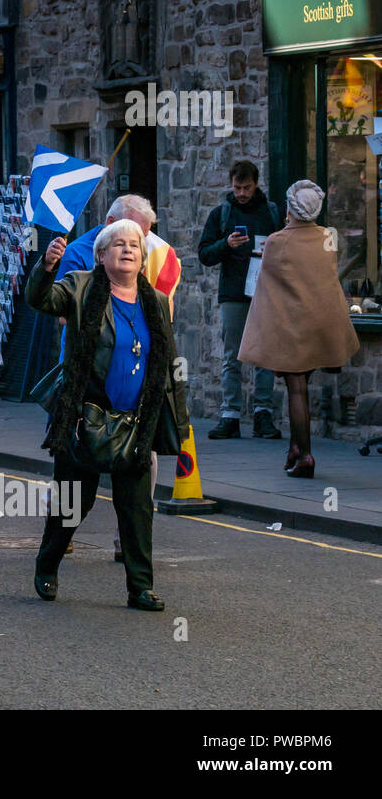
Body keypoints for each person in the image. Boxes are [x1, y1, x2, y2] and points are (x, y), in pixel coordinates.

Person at [26, 220, 189, 612]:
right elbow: (40, 300)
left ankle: (140, 587)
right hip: (84, 418)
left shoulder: (154, 302)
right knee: (72, 503)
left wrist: (177, 422)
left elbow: (167, 367)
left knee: (136, 509)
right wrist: (46, 267)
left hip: (137, 421)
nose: (128, 249)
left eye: (134, 244)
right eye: (118, 244)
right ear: (102, 255)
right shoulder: (81, 286)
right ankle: (48, 563)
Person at [53, 193, 182, 562]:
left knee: (143, 467)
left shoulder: (156, 251)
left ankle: (131, 546)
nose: (140, 244)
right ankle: (59, 539)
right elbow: (60, 312)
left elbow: (163, 311)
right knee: (78, 478)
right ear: (109, 225)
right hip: (87, 388)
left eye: (142, 237)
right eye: (128, 236)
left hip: (137, 393)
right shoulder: (80, 252)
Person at [239, 181, 359, 479]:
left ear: (291, 208)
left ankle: (304, 454)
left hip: (292, 324)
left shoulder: (278, 242)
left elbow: (269, 282)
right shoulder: (327, 237)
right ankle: (295, 448)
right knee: (301, 384)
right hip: (320, 322)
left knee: (296, 388)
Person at [198, 160, 282, 440]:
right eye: (237, 187)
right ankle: (230, 416)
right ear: (231, 184)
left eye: (246, 187)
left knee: (265, 355)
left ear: (256, 184)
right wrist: (226, 244)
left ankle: (263, 415)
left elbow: (284, 251)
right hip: (233, 294)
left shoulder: (270, 213)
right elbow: (205, 254)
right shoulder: (222, 213)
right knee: (231, 355)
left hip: (264, 291)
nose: (242, 193)